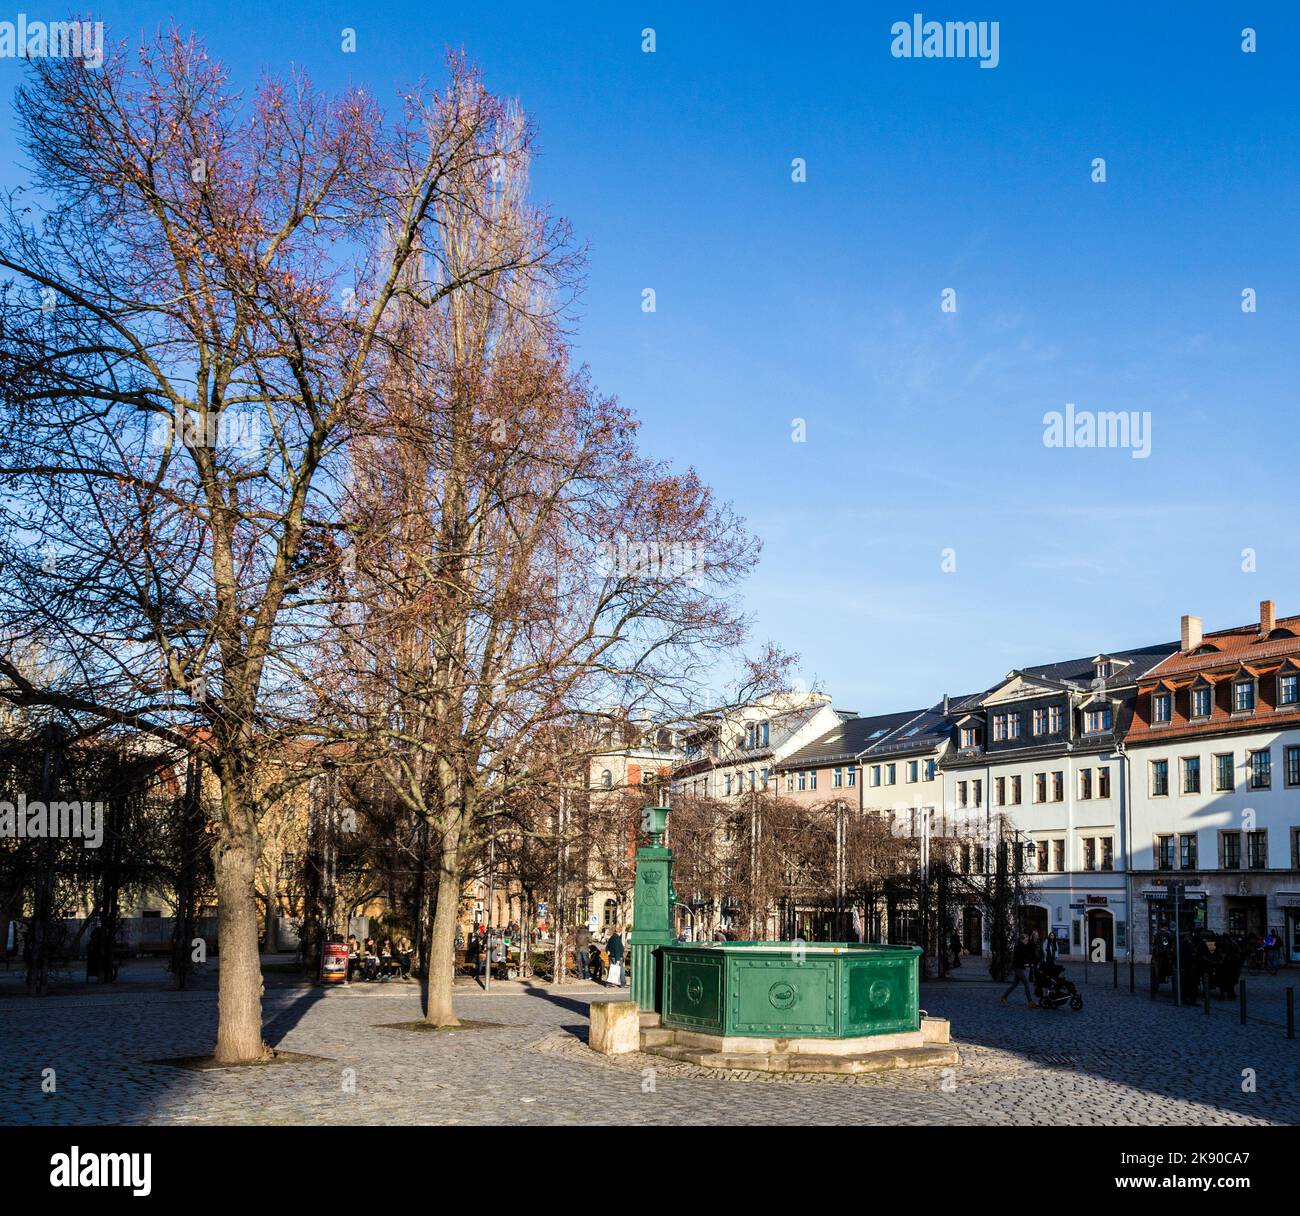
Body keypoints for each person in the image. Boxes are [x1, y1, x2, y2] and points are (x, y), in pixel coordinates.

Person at [1000, 932, 1037, 1008]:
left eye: (1027, 940)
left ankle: (1004, 997)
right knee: (1026, 984)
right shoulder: (1019, 947)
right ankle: (1030, 1002)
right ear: (1021, 940)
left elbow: (1027, 955)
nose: (1027, 942)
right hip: (1017, 967)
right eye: (1025, 940)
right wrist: (1027, 963)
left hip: (1019, 967)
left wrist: (1028, 963)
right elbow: (1021, 958)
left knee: (1015, 984)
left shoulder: (1023, 946)